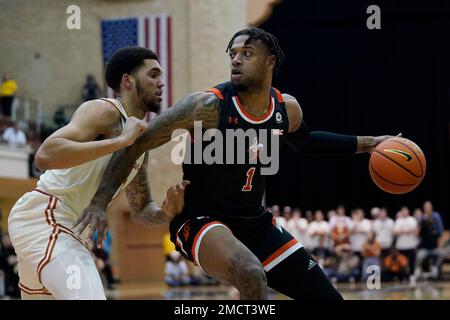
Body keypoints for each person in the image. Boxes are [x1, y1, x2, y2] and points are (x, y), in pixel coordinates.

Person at [78, 28, 397, 300]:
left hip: (255, 222)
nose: (236, 59)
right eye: (233, 53)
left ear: (270, 62)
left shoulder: (287, 109)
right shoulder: (206, 107)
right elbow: (137, 144)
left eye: (247, 53)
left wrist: (371, 144)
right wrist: (99, 201)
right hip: (199, 220)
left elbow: (308, 142)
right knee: (250, 273)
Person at [7, 47, 187, 300]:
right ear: (128, 81)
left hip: (67, 230)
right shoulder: (105, 111)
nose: (161, 82)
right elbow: (45, 155)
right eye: (153, 74)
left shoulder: (137, 145)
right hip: (46, 216)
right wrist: (120, 141)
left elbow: (142, 210)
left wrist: (167, 211)